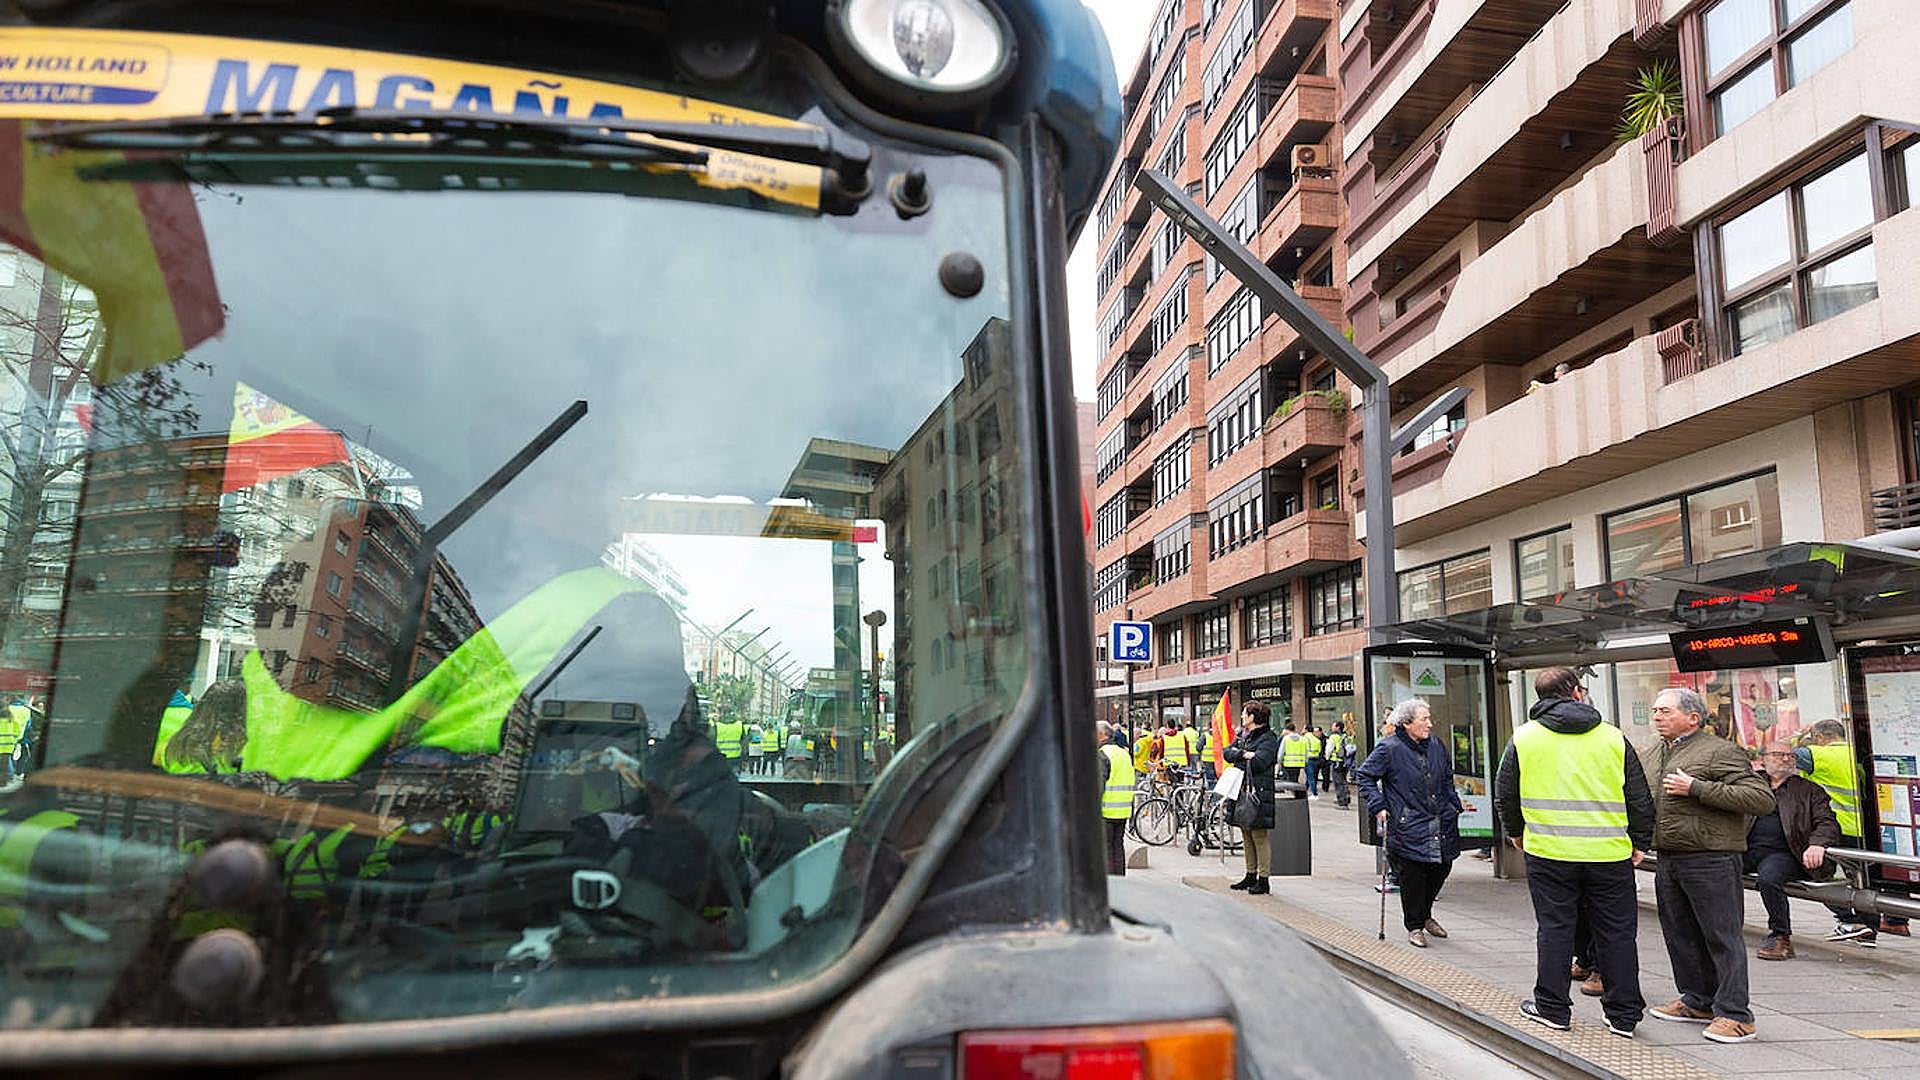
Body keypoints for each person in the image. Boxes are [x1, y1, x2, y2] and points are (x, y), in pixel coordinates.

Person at [1495, 667, 1653, 1037]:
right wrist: (1640, 841)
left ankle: (1552, 1008)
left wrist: (1517, 834)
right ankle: (1623, 1015)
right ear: (1577, 692)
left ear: (1540, 697)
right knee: (1616, 932)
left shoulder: (1525, 737)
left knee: (1555, 928)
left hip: (1548, 852)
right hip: (1609, 854)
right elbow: (1639, 797)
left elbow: (1506, 794)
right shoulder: (1613, 737)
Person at [1641, 687, 1775, 1044]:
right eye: (1655, 710)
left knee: (1722, 936)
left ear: (1693, 717)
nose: (1657, 716)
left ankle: (1735, 1014)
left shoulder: (1720, 751)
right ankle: (1698, 1000)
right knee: (1680, 934)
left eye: (1665, 711)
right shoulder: (1654, 752)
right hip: (1668, 856)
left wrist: (1697, 787)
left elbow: (1760, 799)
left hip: (1711, 857)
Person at [1356, 699, 1463, 948]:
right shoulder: (1389, 748)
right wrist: (1379, 806)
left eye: (1429, 718)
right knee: (1413, 876)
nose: (1430, 724)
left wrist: (1453, 803)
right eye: (1423, 719)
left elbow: (1447, 775)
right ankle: (1414, 925)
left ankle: (1425, 915)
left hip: (1440, 820)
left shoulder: (1436, 744)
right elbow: (1365, 776)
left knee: (1442, 867)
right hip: (1408, 823)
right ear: (1406, 723)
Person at [1795, 719, 1897, 943]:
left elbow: (1788, 754)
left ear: (1820, 737)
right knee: (1862, 879)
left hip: (1832, 827)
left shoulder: (1814, 754)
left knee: (1819, 875)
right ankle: (1868, 928)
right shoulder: (1857, 753)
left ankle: (1849, 920)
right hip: (1861, 827)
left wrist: (1801, 737)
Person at [1748, 739, 1842, 961]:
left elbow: (1827, 822)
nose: (1786, 759)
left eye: (1790, 755)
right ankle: (1720, 927)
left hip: (1788, 852)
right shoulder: (1751, 785)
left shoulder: (1809, 790)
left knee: (1769, 877)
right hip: (1747, 848)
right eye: (1778, 754)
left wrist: (1817, 843)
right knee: (1716, 868)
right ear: (1763, 760)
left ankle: (1781, 936)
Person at [1222, 701, 1281, 895]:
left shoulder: (1268, 738)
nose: (1241, 717)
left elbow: (1259, 762)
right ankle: (1250, 874)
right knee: (1246, 832)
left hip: (1259, 792)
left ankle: (1263, 879)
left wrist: (1245, 755)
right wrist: (1243, 754)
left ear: (1253, 717)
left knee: (1259, 836)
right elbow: (1227, 753)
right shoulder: (1243, 736)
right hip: (1243, 790)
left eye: (1244, 713)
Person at [1096, 721, 1134, 876]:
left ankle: (1111, 884)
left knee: (1106, 849)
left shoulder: (1102, 754)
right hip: (1123, 809)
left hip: (1106, 810)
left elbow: (1099, 784)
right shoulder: (1124, 753)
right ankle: (1120, 879)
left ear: (1101, 735)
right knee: (1118, 846)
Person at [1328, 722, 1355, 808]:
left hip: (1336, 762)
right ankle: (1346, 798)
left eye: (1333, 726)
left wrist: (1327, 757)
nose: (1332, 727)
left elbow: (1329, 749)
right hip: (1345, 762)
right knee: (1343, 780)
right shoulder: (1345, 736)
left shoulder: (1334, 737)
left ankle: (1342, 802)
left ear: (1337, 727)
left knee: (1338, 782)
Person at [1278, 721, 1308, 796]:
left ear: (1287, 730)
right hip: (1299, 764)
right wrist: (1305, 762)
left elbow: (1281, 752)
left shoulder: (1286, 739)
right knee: (1297, 780)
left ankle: (1294, 795)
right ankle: (1298, 795)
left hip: (1288, 764)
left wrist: (1279, 762)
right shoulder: (1303, 739)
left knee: (1290, 781)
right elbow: (1307, 752)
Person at [1304, 725, 1324, 799]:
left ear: (1306, 730)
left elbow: (1304, 748)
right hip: (1316, 759)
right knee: (1313, 777)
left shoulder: (1305, 738)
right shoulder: (1317, 739)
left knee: (1310, 777)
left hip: (1308, 759)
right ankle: (1305, 790)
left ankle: (1314, 794)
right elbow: (1319, 750)